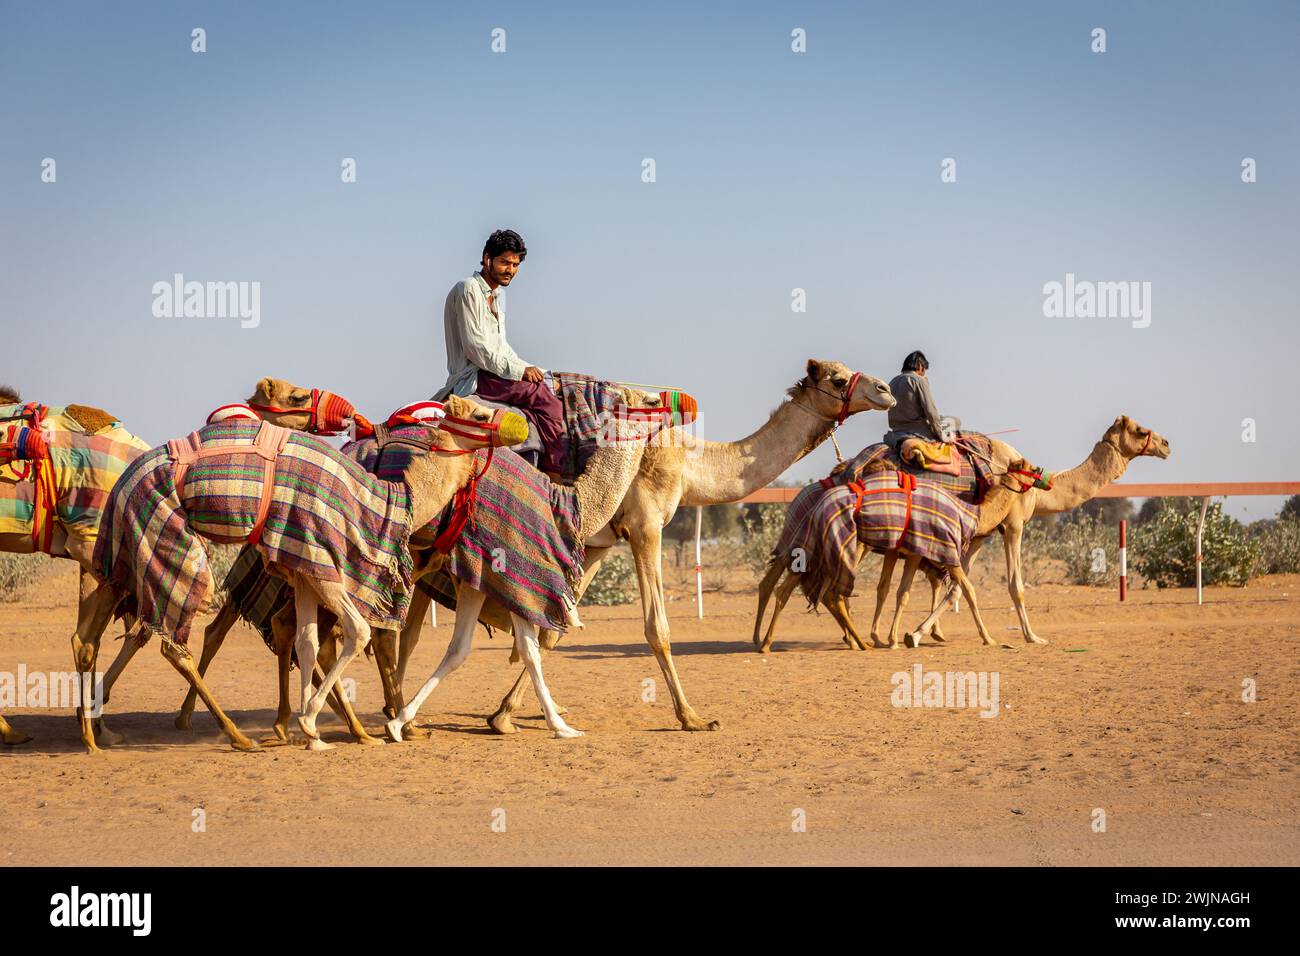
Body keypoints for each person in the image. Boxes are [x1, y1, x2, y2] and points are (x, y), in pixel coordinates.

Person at [434, 229, 565, 475]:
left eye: (515, 264)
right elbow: (476, 348)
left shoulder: (498, 296)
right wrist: (520, 371)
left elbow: (501, 347)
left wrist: (540, 371)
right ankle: (554, 475)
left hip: (493, 371)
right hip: (476, 375)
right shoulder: (469, 289)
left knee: (554, 385)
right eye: (505, 262)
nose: (511, 270)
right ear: (487, 259)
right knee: (549, 403)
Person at [884, 350, 960, 447]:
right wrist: (942, 435)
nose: (924, 374)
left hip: (896, 432)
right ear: (920, 366)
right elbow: (930, 411)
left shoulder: (892, 382)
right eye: (924, 370)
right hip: (917, 431)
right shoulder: (919, 380)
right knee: (955, 421)